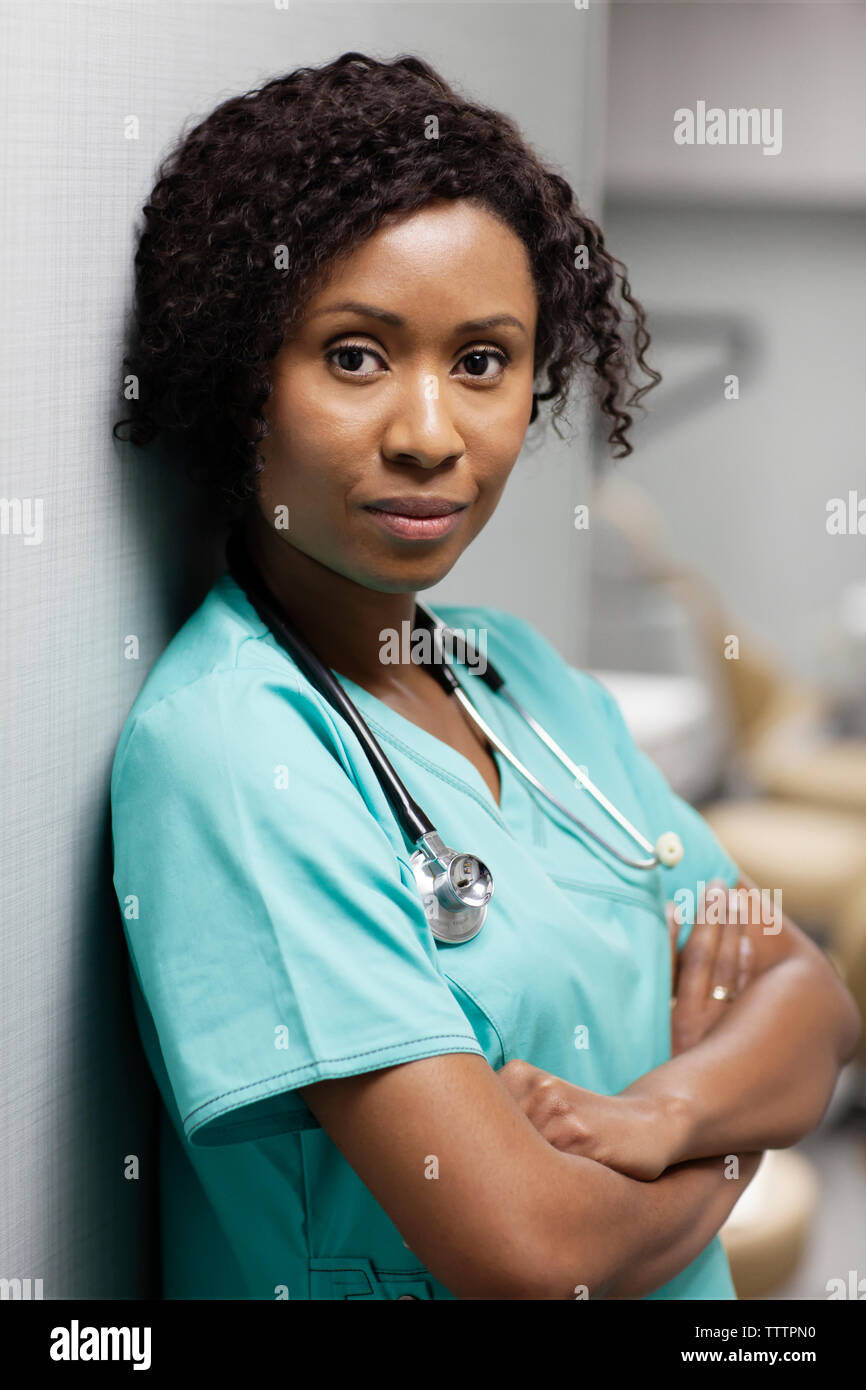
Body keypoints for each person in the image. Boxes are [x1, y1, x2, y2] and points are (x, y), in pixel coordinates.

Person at [110, 51, 860, 1301]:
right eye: (354, 356)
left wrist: (664, 1117)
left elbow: (808, 993)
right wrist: (737, 1133)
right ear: (243, 378)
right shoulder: (236, 751)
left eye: (481, 360)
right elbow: (530, 1251)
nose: (428, 432)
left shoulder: (510, 675)